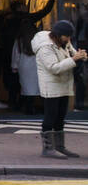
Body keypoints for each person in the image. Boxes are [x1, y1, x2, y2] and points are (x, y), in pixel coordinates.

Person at [35, 19, 86, 158]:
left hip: (64, 84)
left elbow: (73, 54)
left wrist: (81, 56)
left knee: (60, 117)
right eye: (67, 36)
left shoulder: (64, 42)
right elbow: (53, 68)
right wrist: (75, 59)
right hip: (51, 85)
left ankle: (60, 147)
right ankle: (48, 149)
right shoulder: (45, 48)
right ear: (57, 35)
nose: (69, 39)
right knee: (50, 117)